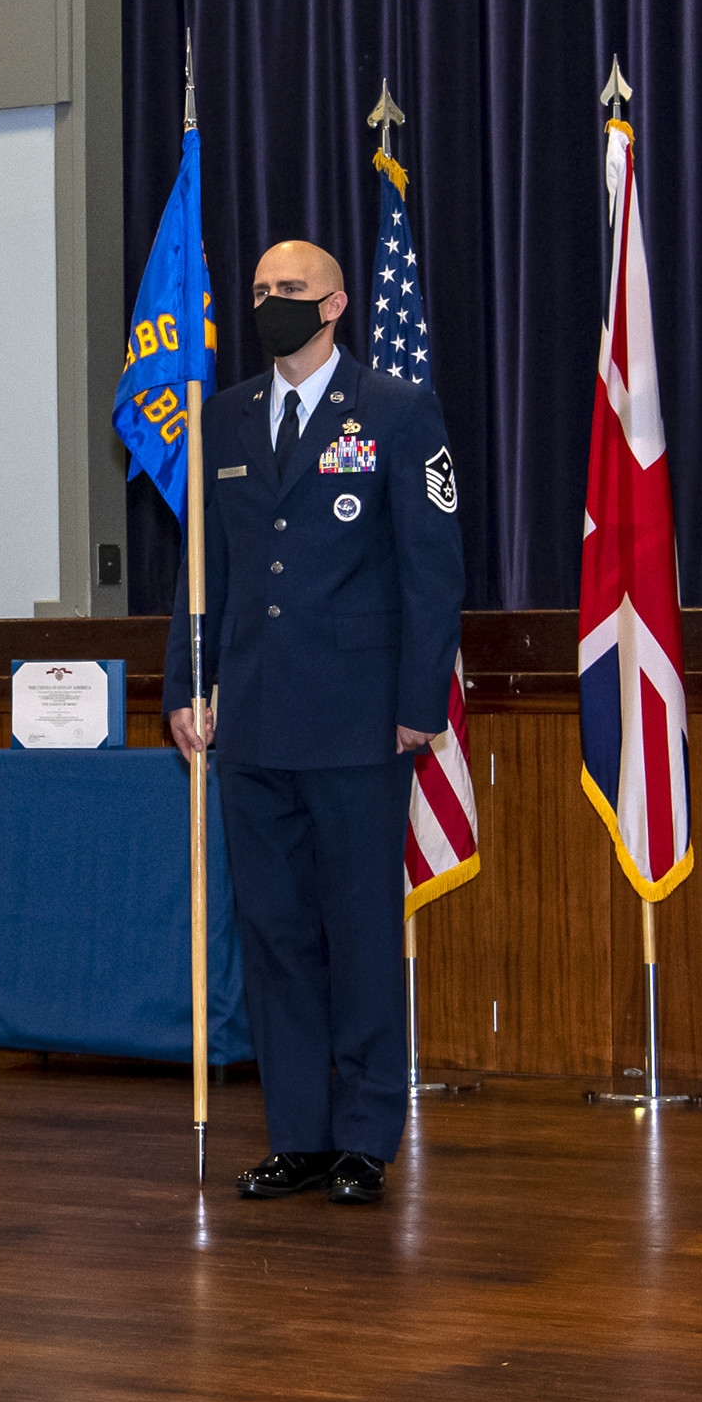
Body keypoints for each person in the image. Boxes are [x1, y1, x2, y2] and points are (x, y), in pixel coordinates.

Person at [166, 240, 464, 1205]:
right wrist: (184, 683)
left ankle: (366, 1137)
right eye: (259, 292)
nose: (268, 305)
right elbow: (200, 574)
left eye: (288, 291)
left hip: (357, 724)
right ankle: (297, 1133)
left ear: (336, 304)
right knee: (276, 933)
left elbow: (432, 567)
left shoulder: (397, 410)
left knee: (361, 932)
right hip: (250, 720)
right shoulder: (224, 418)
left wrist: (421, 705)